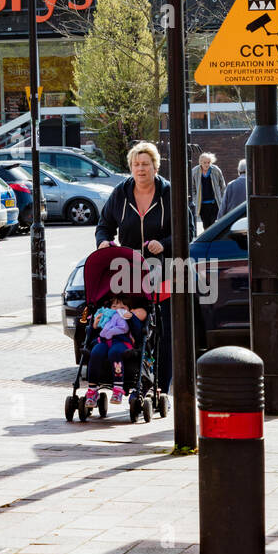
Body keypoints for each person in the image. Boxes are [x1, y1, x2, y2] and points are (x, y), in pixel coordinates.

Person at [95, 140, 175, 391]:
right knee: (132, 327)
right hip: (128, 272)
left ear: (155, 167)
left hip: (164, 270)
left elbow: (187, 231)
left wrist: (164, 244)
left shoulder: (168, 193)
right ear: (131, 167)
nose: (141, 169)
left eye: (146, 164)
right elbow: (104, 225)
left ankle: (160, 386)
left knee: (161, 332)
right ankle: (133, 380)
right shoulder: (121, 193)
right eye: (136, 164)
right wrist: (104, 242)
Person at [84, 297, 148, 407]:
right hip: (104, 341)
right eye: (114, 307)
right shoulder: (106, 316)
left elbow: (138, 334)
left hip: (122, 342)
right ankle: (92, 390)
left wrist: (132, 318)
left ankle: (118, 389)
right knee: (95, 353)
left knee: (115, 352)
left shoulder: (129, 317)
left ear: (129, 309)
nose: (118, 309)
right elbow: (93, 334)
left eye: (122, 307)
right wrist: (94, 325)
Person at [192, 152, 226, 232]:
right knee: (205, 225)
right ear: (200, 162)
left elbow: (222, 185)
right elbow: (192, 187)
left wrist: (221, 197)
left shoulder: (216, 170)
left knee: (213, 224)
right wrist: (195, 198)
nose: (207, 164)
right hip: (202, 204)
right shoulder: (195, 171)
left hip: (214, 203)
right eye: (205, 163)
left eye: (208, 162)